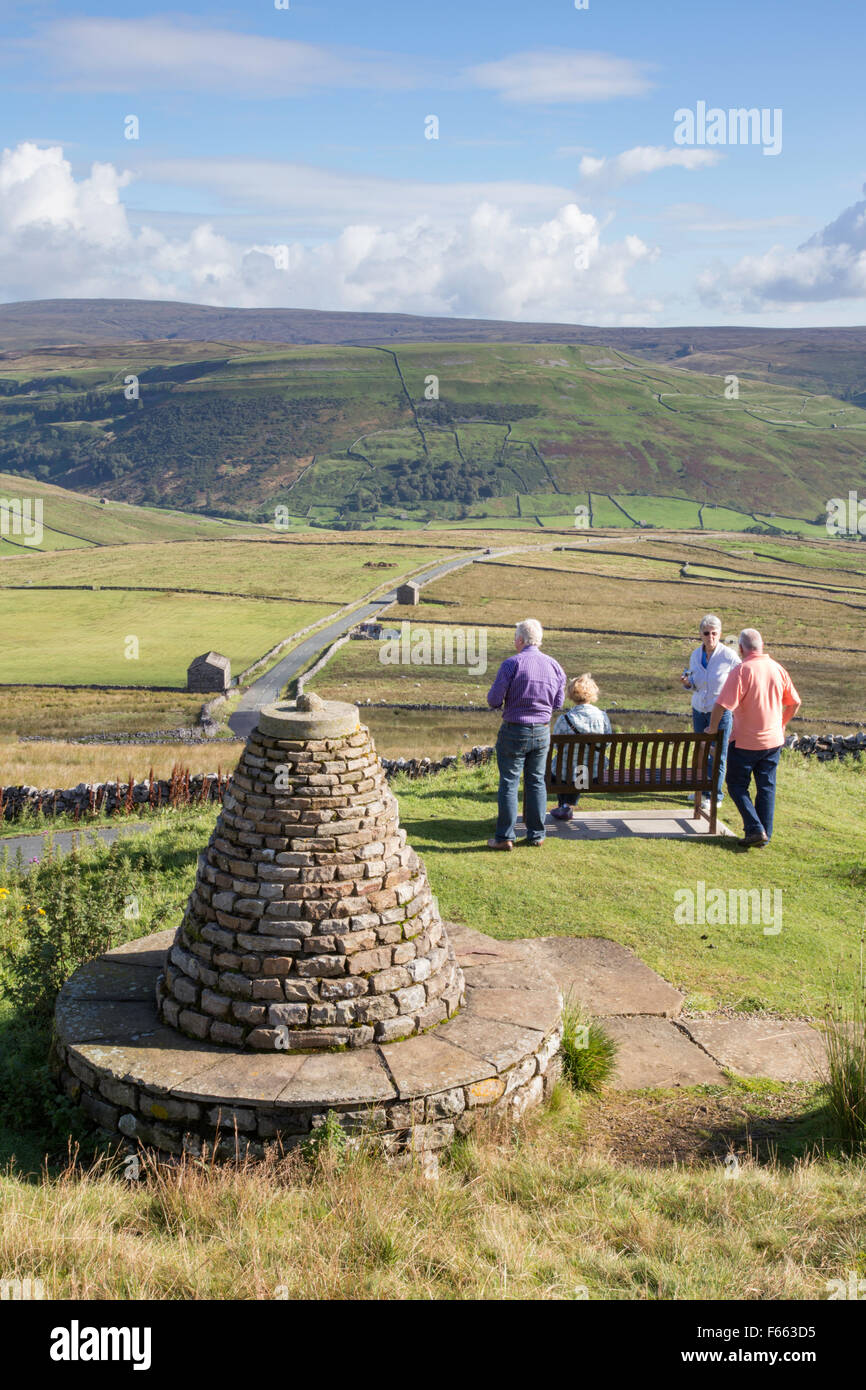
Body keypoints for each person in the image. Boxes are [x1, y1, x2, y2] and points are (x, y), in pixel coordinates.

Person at [708, 628, 801, 848]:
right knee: (766, 787)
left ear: (741, 648)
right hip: (773, 742)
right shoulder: (778, 669)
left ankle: (755, 829)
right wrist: (781, 724)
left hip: (745, 742)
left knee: (736, 785)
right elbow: (795, 702)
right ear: (761, 646)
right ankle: (763, 835)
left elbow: (721, 705)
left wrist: (712, 731)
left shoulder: (742, 671)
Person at [486, 618, 566, 849]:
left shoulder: (512, 664)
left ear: (520, 640)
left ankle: (504, 837)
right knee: (536, 782)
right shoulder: (554, 665)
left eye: (515, 638)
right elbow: (558, 702)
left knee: (509, 782)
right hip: (541, 731)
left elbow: (493, 700)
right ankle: (536, 834)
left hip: (514, 729)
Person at [680, 613, 740, 813]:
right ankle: (701, 790)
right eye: (706, 633)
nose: (711, 637)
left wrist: (733, 699)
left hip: (721, 711)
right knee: (702, 752)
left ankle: (715, 794)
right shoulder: (695, 655)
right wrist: (688, 684)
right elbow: (695, 682)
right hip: (700, 709)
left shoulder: (728, 656)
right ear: (700, 634)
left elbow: (742, 677)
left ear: (720, 634)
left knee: (718, 753)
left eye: (714, 633)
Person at [550, 674, 612, 821]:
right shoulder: (602, 716)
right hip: (593, 773)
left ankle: (564, 806)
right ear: (593, 693)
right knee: (579, 768)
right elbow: (607, 743)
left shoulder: (564, 719)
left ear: (571, 694)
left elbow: (557, 746)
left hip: (565, 773)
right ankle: (566, 806)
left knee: (564, 768)